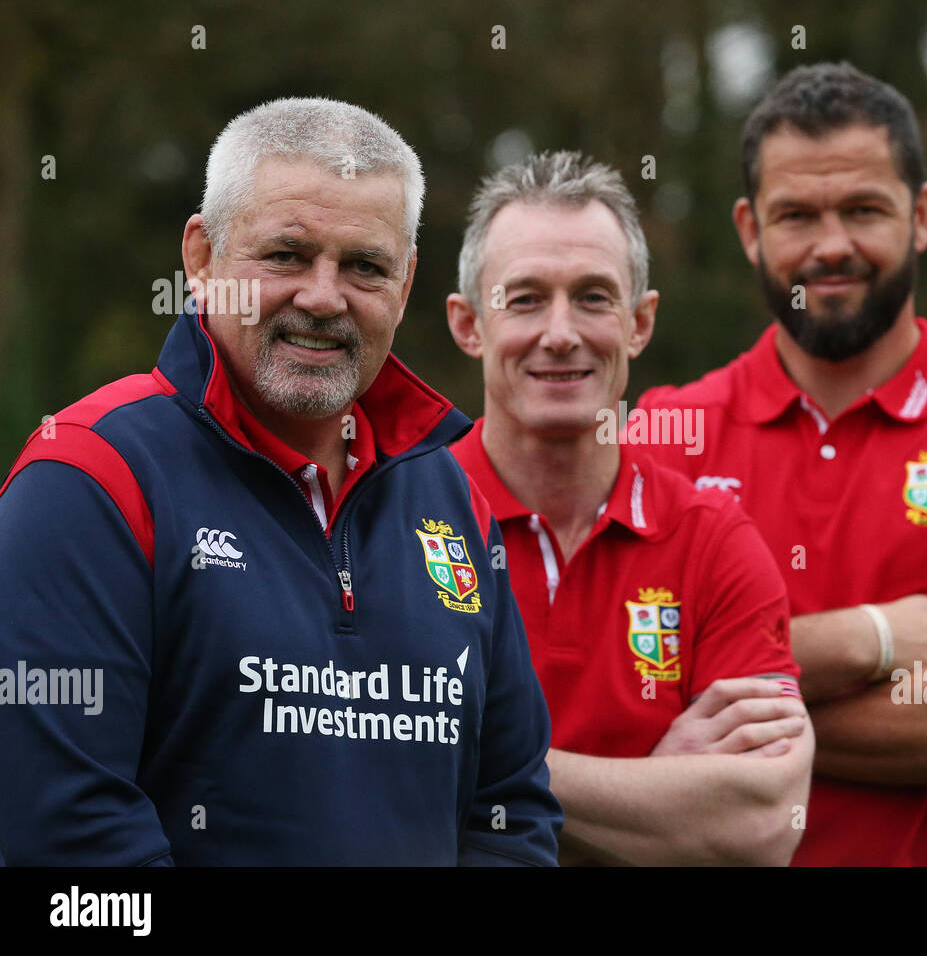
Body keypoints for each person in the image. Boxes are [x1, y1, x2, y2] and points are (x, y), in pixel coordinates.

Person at [0, 98, 561, 866]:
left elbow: (512, 812)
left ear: (404, 286)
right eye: (287, 256)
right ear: (202, 259)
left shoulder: (452, 498)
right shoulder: (90, 478)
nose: (323, 297)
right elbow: (64, 842)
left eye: (364, 266)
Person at [638, 62, 927, 866]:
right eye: (797, 215)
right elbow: (615, 692)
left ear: (922, 214)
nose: (831, 246)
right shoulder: (663, 434)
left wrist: (717, 718)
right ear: (750, 229)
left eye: (863, 209)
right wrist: (869, 640)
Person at [445, 151, 813, 865]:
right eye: (524, 299)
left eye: (592, 297)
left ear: (640, 322)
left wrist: (470, 765)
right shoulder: (388, 523)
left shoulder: (713, 538)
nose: (560, 332)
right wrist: (654, 786)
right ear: (468, 324)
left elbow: (762, 821)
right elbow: (359, 773)